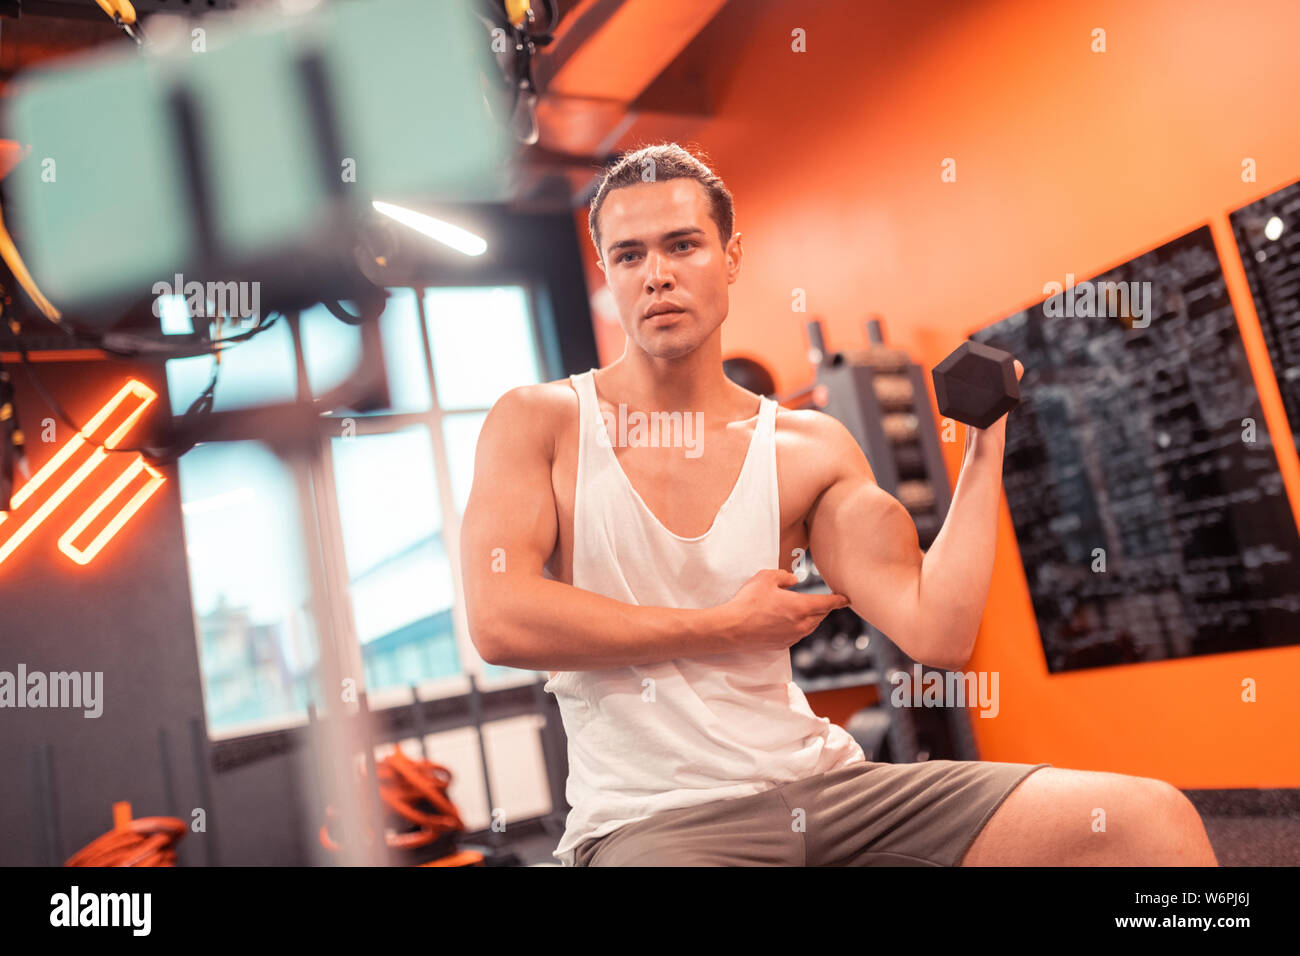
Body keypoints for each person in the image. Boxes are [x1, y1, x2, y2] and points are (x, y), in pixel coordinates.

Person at [459, 142, 1218, 867]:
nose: (656, 274)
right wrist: (722, 627)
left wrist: (986, 447)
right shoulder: (541, 422)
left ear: (730, 258)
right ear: (607, 274)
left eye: (682, 245)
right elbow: (501, 620)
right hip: (656, 821)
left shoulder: (807, 448)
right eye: (629, 255)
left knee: (1148, 822)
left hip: (830, 789)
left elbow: (939, 631)